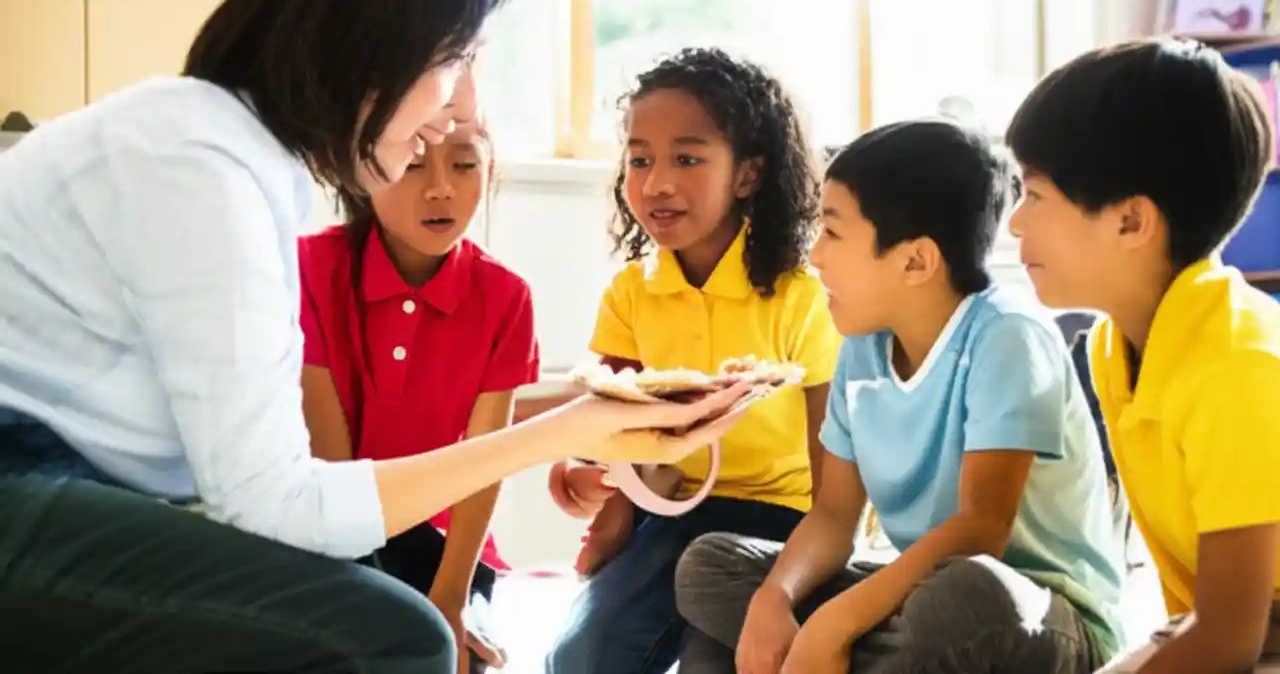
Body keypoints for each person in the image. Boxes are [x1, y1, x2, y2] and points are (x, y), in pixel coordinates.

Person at [0, 0, 754, 672]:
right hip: (25, 475)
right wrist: (568, 429)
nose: (457, 110)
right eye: (456, 60)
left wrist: (583, 419)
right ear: (378, 40)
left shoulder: (230, 159)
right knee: (392, 637)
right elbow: (279, 502)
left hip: (73, 484)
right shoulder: (202, 169)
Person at [675, 120, 1125, 674]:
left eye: (833, 234)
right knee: (710, 566)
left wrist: (832, 624)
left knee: (971, 595)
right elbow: (835, 514)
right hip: (919, 600)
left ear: (916, 261)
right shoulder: (862, 345)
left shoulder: (1008, 334)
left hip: (1038, 615)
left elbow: (981, 528)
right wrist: (777, 599)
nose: (815, 256)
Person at [544, 47, 841, 674]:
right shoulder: (631, 292)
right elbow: (605, 436)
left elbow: (833, 481)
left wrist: (792, 585)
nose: (656, 183)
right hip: (670, 514)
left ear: (748, 176)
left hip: (780, 524)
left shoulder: (802, 295)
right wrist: (585, 484)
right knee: (578, 657)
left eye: (687, 158)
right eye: (640, 159)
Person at [1006, 38, 1280, 673]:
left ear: (1131, 222)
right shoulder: (1113, 345)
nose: (1017, 223)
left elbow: (1228, 639)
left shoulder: (1236, 366)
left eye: (1035, 195)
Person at [299, 120, 532, 672]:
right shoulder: (309, 267)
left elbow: (485, 465)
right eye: (413, 163)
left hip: (449, 552)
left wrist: (451, 598)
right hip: (334, 533)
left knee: (457, 656)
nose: (441, 188)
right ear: (361, 173)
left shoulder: (506, 296)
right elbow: (332, 472)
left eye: (464, 164)